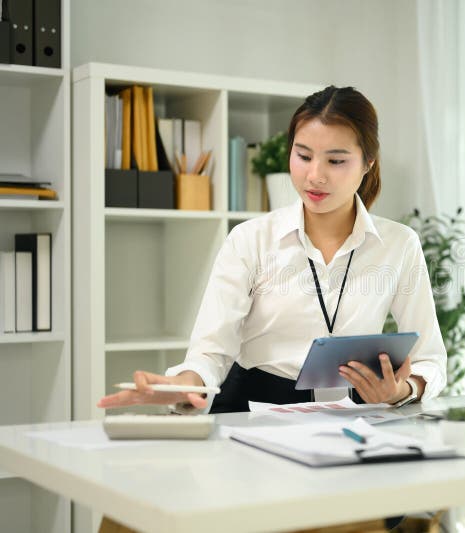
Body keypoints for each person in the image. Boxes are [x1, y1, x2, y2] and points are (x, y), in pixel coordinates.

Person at [98, 86, 447, 413]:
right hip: (255, 412)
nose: (314, 175)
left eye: (335, 161)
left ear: (368, 162)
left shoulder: (399, 244)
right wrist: (180, 386)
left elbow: (430, 358)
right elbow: (210, 353)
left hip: (355, 416)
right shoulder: (250, 240)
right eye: (303, 155)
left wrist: (401, 391)